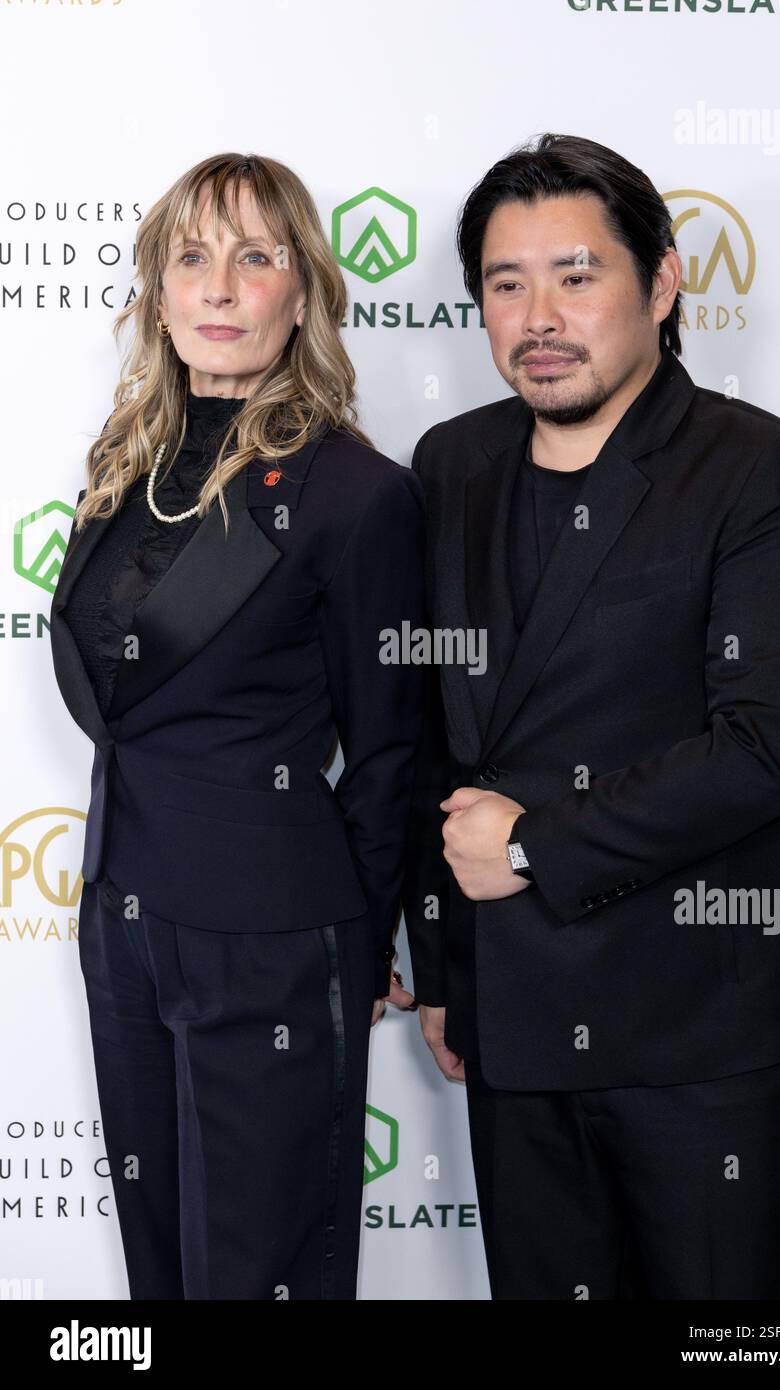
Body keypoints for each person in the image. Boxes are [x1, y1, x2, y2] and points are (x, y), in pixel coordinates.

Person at [401, 133, 780, 1299]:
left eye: (575, 275)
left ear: (659, 284)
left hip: (693, 1031)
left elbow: (767, 745)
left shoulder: (760, 468)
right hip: (514, 1019)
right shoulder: (449, 465)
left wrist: (536, 846)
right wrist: (446, 967)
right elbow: (436, 736)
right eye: (505, 284)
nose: (536, 315)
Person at [50, 152, 424, 1300]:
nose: (219, 287)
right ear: (158, 293)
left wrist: (354, 941)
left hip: (269, 933)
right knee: (159, 1271)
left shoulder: (352, 491)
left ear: (301, 291)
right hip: (122, 919)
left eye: (255, 256)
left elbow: (393, 743)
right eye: (191, 257)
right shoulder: (122, 472)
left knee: (259, 1271)